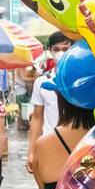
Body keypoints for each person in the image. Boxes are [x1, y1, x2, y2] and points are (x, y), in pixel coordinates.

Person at [26, 32, 72, 173]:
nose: (60, 53)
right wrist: (31, 152)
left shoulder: (83, 80)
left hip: (77, 144)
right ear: (50, 51)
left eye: (65, 49)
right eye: (56, 49)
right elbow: (37, 117)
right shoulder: (42, 81)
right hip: (50, 144)